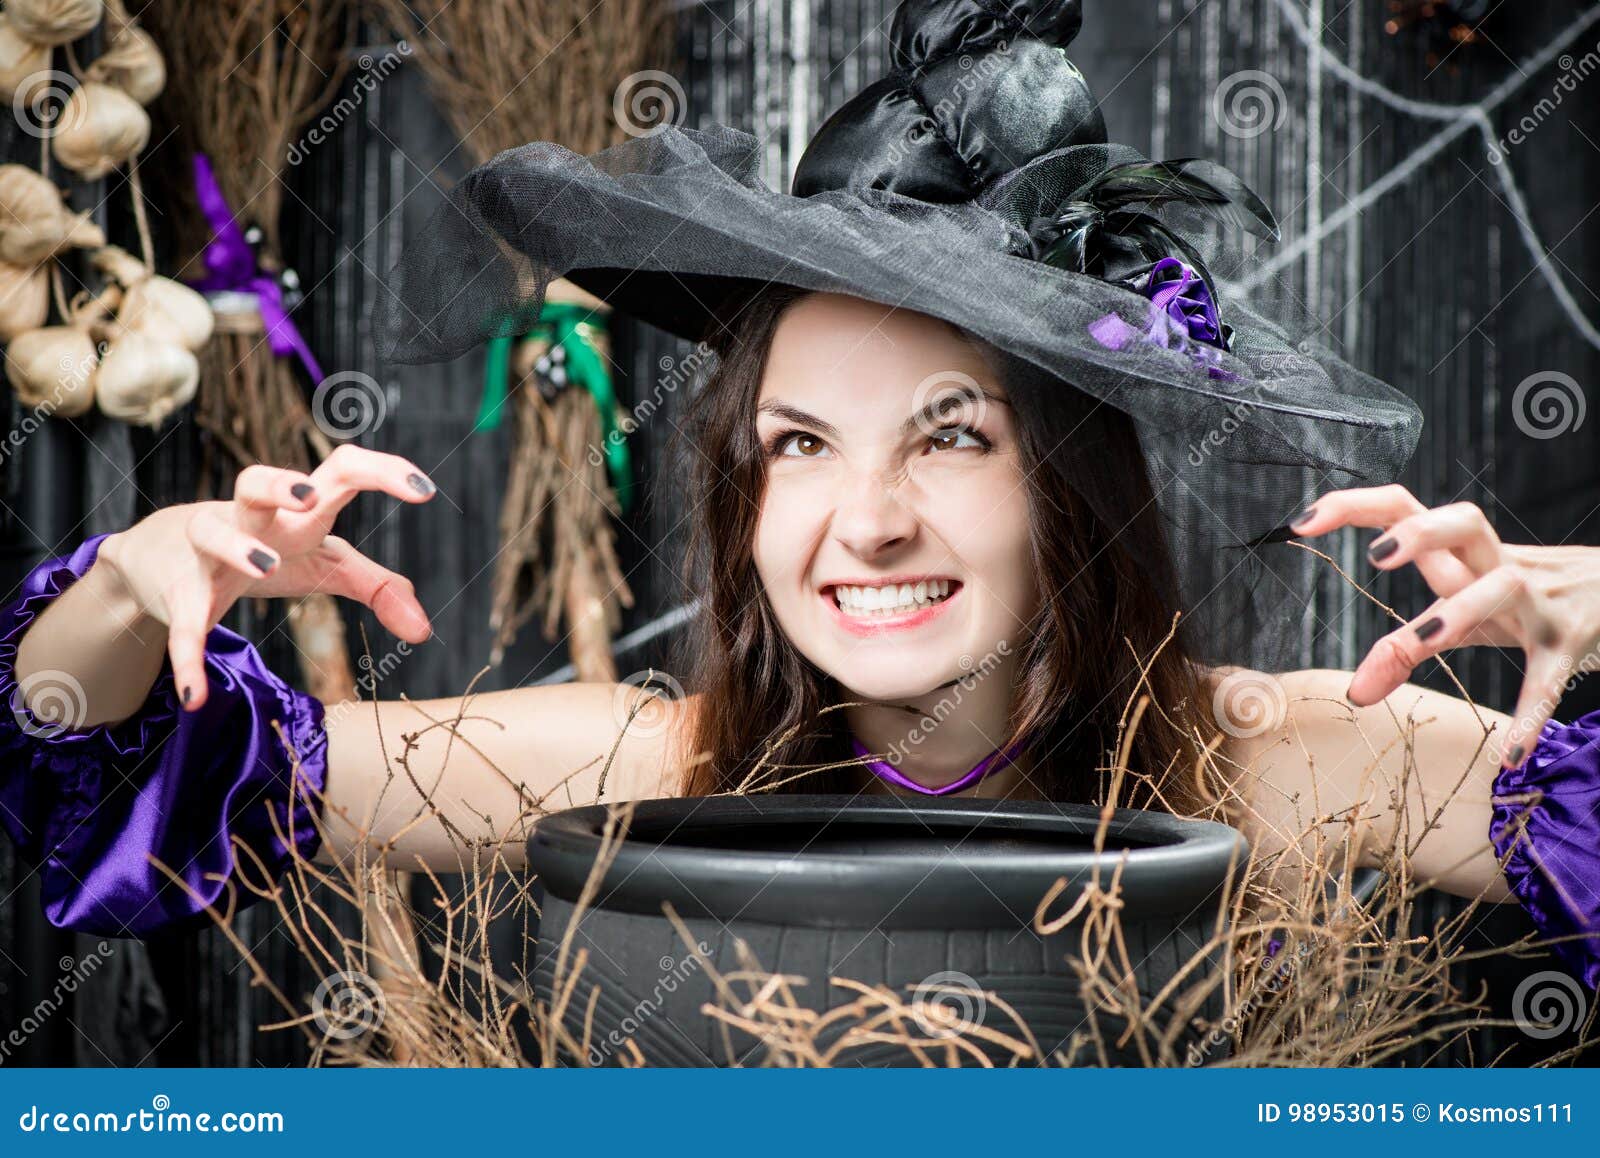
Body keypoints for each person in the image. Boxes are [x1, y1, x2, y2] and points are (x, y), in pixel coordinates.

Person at [3, 0, 1598, 995]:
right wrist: (131, 586)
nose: (868, 518)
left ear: (1070, 484)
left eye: (952, 437)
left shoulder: (1297, 754)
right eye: (801, 444)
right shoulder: (637, 761)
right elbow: (116, 777)